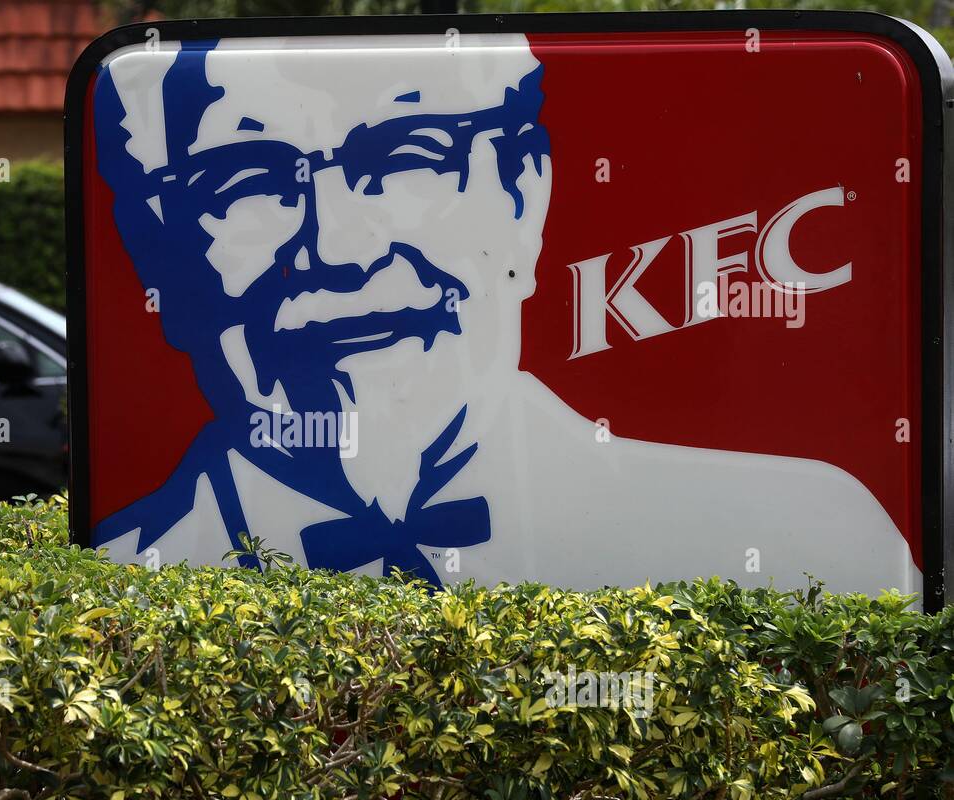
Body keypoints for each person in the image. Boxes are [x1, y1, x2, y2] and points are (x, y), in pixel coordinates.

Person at [90, 36, 916, 595]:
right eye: (244, 181)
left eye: (408, 156)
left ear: (526, 197)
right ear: (155, 255)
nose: (339, 247)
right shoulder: (113, 593)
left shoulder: (812, 535)